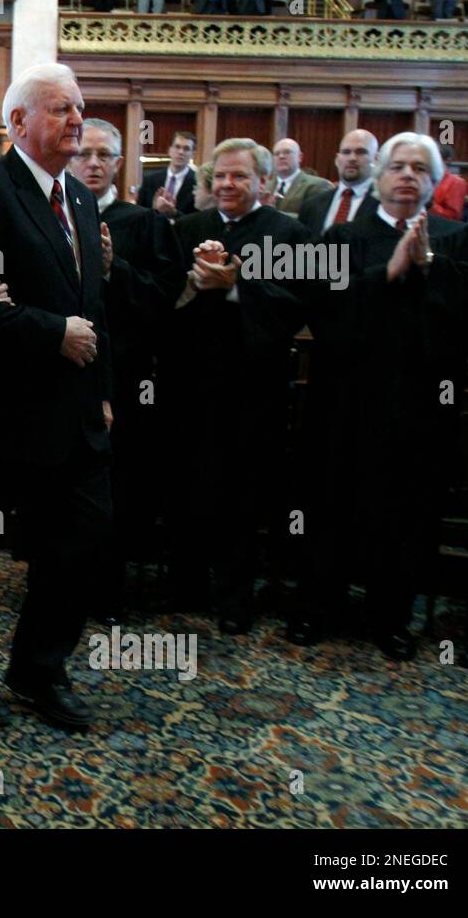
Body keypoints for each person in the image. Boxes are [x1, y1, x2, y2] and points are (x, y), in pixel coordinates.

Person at [0, 63, 112, 734]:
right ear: (18, 124)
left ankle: (39, 670)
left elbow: (94, 305)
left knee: (79, 543)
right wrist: (49, 332)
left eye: (79, 109)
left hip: (73, 415)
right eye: (60, 109)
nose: (75, 120)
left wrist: (104, 390)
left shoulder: (83, 199)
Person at [296, 132, 468, 658]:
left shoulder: (461, 241)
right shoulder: (339, 240)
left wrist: (430, 268)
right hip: (346, 402)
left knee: (406, 512)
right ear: (378, 178)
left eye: (419, 169)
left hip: (422, 404)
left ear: (433, 182)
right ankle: (320, 609)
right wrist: (388, 273)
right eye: (397, 166)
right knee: (332, 503)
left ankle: (391, 619)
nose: (407, 175)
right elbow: (321, 312)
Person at [163, 138, 311, 635]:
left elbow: (296, 306)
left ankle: (234, 597)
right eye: (220, 176)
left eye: (240, 176)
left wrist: (235, 287)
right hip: (191, 384)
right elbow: (160, 299)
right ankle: (185, 584)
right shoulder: (187, 228)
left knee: (243, 496)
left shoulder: (288, 233)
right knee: (189, 484)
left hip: (255, 390)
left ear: (263, 182)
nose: (227, 184)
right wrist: (191, 282)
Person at [70, 118, 185, 614]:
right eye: (85, 154)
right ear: (71, 158)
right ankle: (60, 585)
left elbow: (166, 298)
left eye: (105, 155)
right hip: (65, 374)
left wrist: (116, 269)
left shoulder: (147, 224)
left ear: (120, 163)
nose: (93, 163)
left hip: (128, 379)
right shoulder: (50, 216)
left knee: (119, 487)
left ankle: (108, 589)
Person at [298, 129, 380, 235]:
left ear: (376, 159)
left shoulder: (384, 206)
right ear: (337, 160)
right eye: (346, 152)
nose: (352, 158)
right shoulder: (312, 206)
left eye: (360, 152)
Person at [137, 131, 197, 216]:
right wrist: (154, 210)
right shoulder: (150, 180)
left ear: (193, 154)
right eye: (177, 147)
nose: (181, 152)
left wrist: (174, 213)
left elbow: (197, 219)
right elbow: (139, 213)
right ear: (170, 150)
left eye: (186, 149)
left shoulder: (197, 183)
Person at [269, 138, 332, 214]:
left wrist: (272, 215)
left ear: (300, 157)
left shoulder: (317, 185)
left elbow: (313, 218)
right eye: (276, 154)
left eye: (287, 152)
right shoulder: (265, 187)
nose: (281, 156)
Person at [429, 144, 468, 221]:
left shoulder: (456, 182)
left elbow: (454, 217)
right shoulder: (423, 179)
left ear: (447, 160)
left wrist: (429, 205)